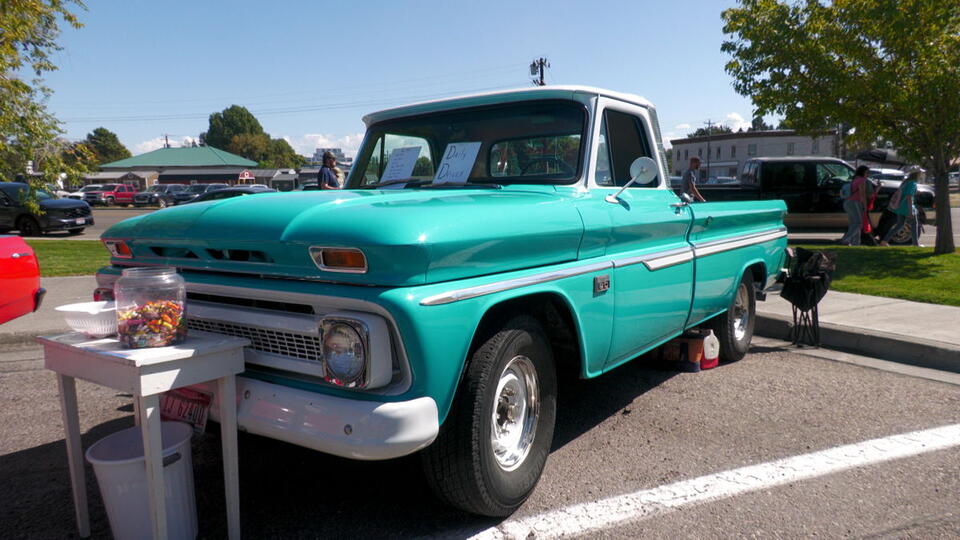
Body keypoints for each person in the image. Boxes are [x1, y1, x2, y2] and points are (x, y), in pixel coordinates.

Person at [880, 167, 922, 246]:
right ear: (917, 174)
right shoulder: (913, 183)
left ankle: (884, 241)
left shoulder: (905, 182)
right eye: (920, 173)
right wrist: (910, 211)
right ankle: (916, 244)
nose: (921, 174)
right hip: (907, 207)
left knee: (899, 224)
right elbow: (909, 197)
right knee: (914, 225)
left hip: (900, 207)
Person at [840, 165, 869, 246]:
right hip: (855, 202)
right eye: (867, 172)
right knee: (859, 223)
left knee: (853, 223)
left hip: (847, 202)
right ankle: (846, 239)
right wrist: (865, 206)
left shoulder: (854, 179)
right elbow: (862, 194)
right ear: (863, 172)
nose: (868, 174)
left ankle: (856, 243)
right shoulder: (862, 180)